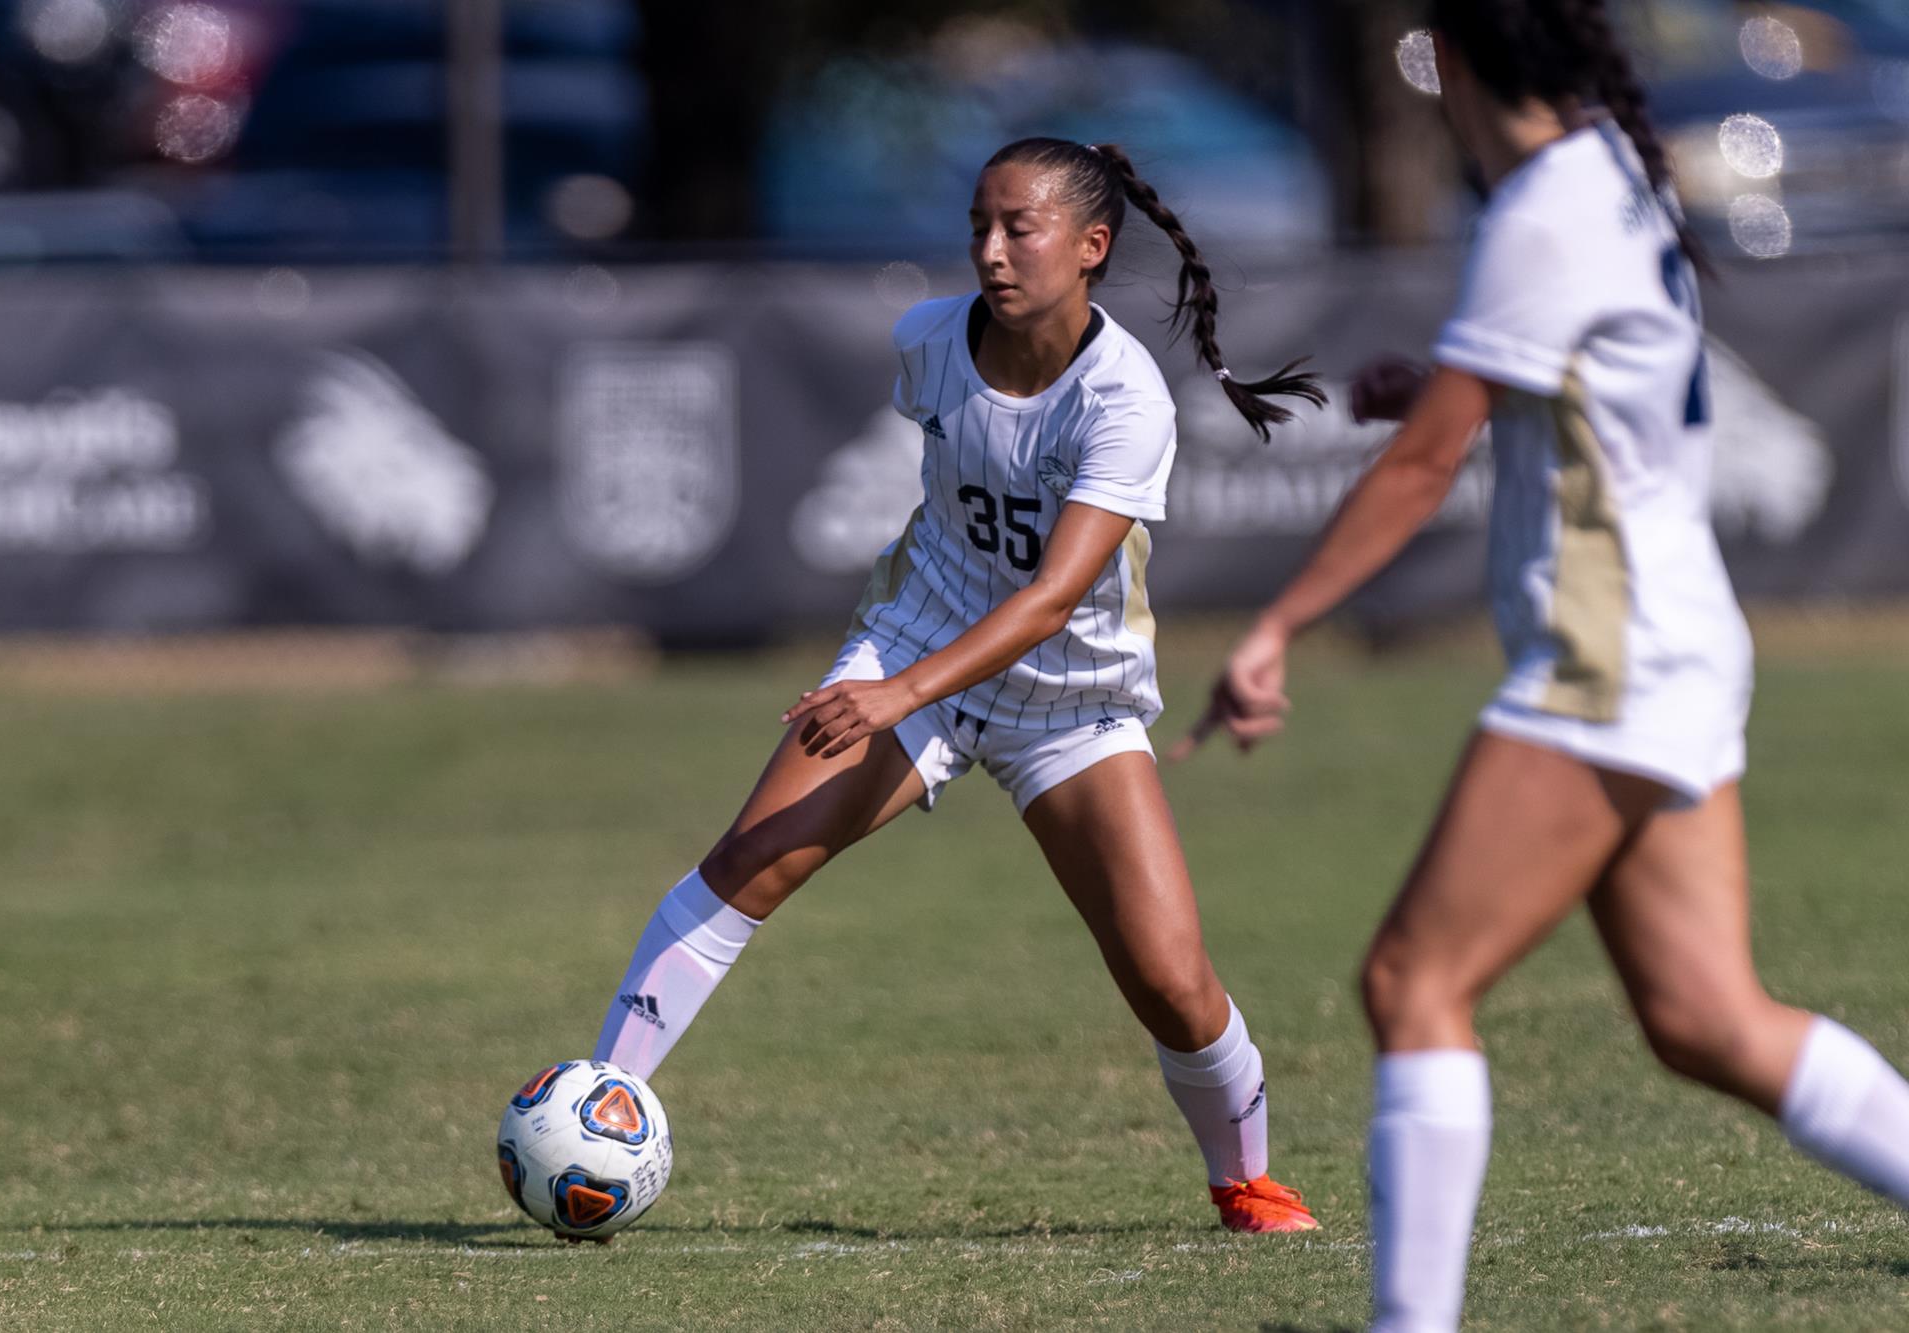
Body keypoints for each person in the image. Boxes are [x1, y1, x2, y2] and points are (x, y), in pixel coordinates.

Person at [1174, 2, 1909, 1326]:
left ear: (1457, 63)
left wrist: (1276, 628)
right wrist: (1465, 377)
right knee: (1706, 1018)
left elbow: (1419, 469)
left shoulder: (1546, 206)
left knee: (1414, 980)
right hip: (1674, 639)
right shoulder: (1611, 172)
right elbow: (1583, 374)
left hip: (1608, 653)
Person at [592, 136, 1326, 1233]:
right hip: (918, 645)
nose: (988, 251)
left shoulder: (1125, 400)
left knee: (1170, 979)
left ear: (1089, 246)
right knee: (751, 858)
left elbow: (1046, 599)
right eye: (977, 225)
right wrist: (894, 677)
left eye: (1016, 228)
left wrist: (895, 696)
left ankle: (1246, 1179)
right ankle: (602, 1102)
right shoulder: (928, 343)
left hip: (1070, 697)